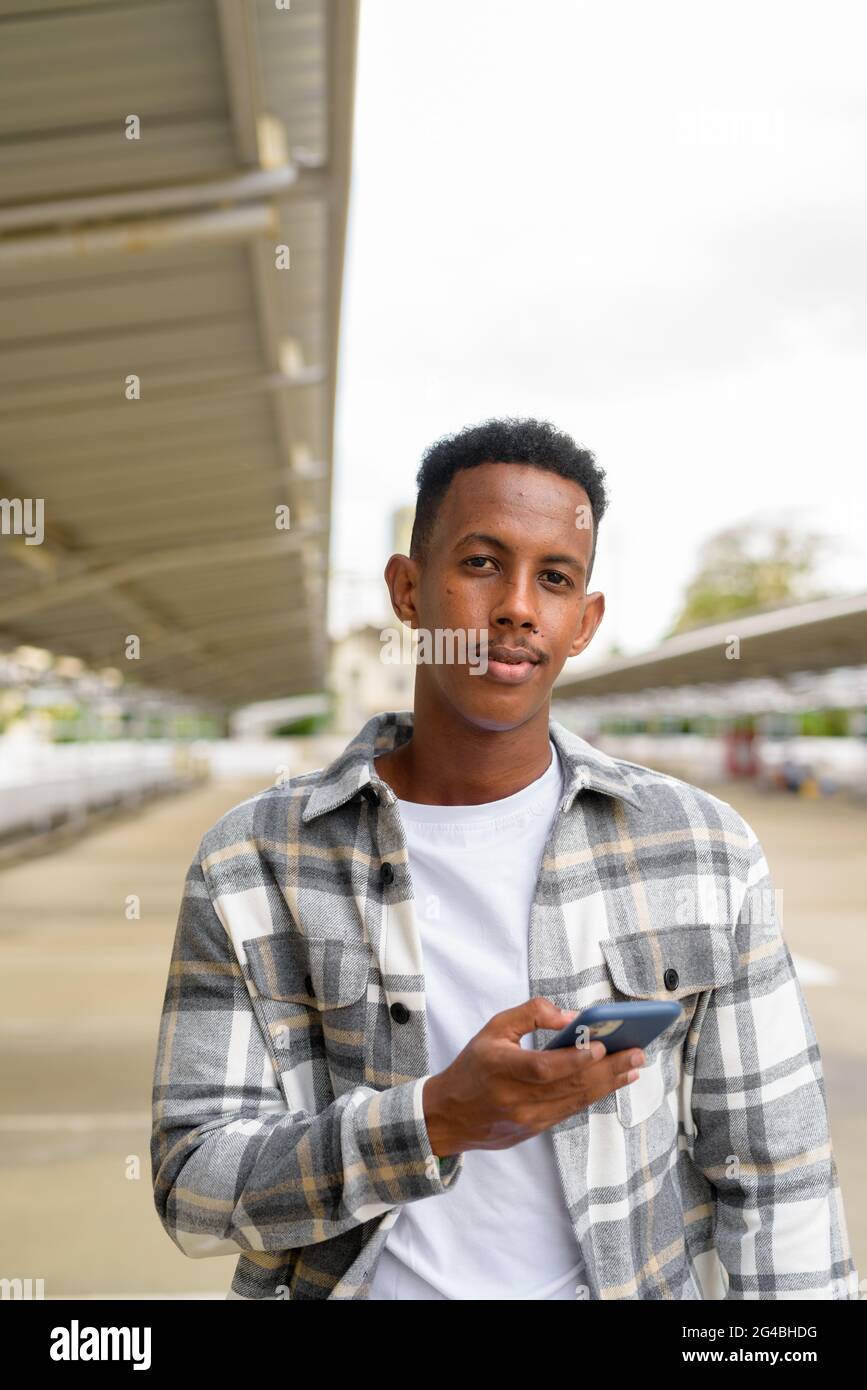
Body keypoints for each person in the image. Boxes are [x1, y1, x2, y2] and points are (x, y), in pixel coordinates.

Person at [150, 417, 859, 1300]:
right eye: (481, 563)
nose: (518, 606)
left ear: (583, 621)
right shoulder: (254, 862)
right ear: (407, 590)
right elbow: (191, 1186)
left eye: (553, 579)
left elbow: (775, 1176)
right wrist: (433, 1119)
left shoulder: (701, 850)